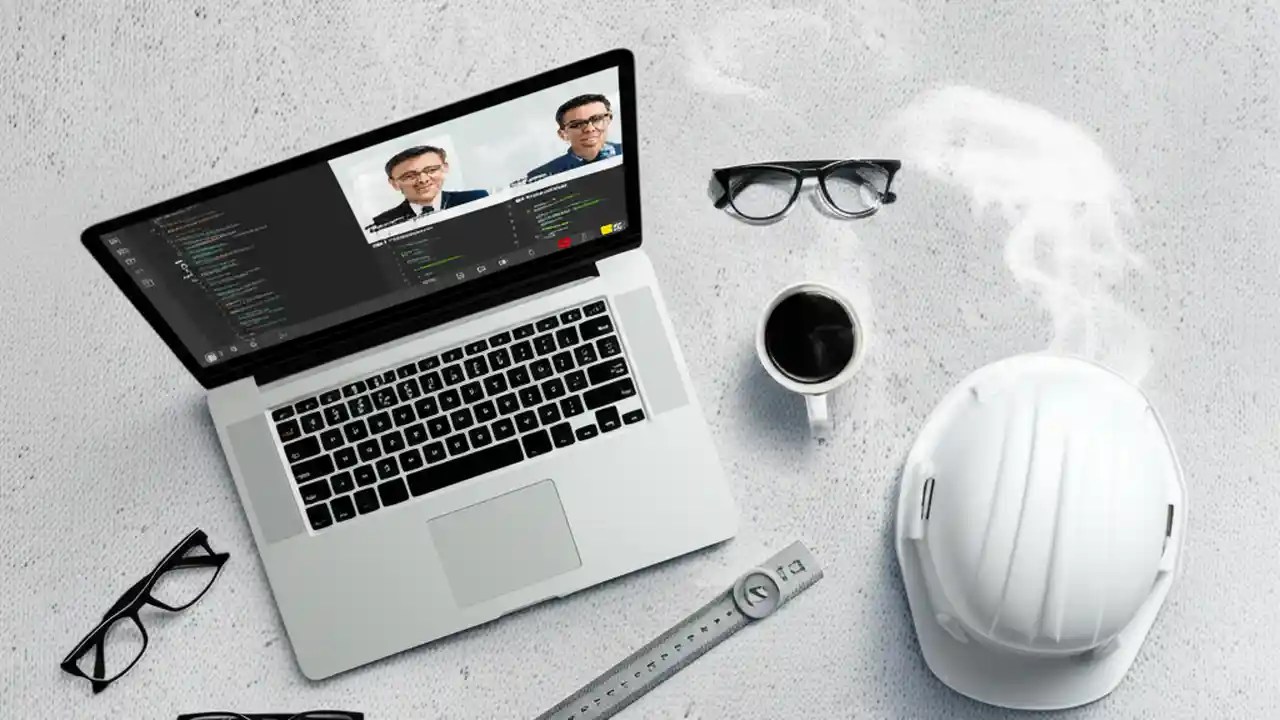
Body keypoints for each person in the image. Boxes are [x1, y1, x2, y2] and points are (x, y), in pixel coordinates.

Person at [370, 146, 488, 228]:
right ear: (394, 183)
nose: (423, 180)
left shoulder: (477, 199)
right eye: (410, 176)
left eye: (431, 170)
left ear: (444, 168)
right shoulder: (384, 222)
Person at [526, 94, 623, 181]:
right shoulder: (541, 176)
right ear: (563, 134)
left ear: (609, 119)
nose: (590, 129)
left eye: (597, 119)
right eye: (577, 124)